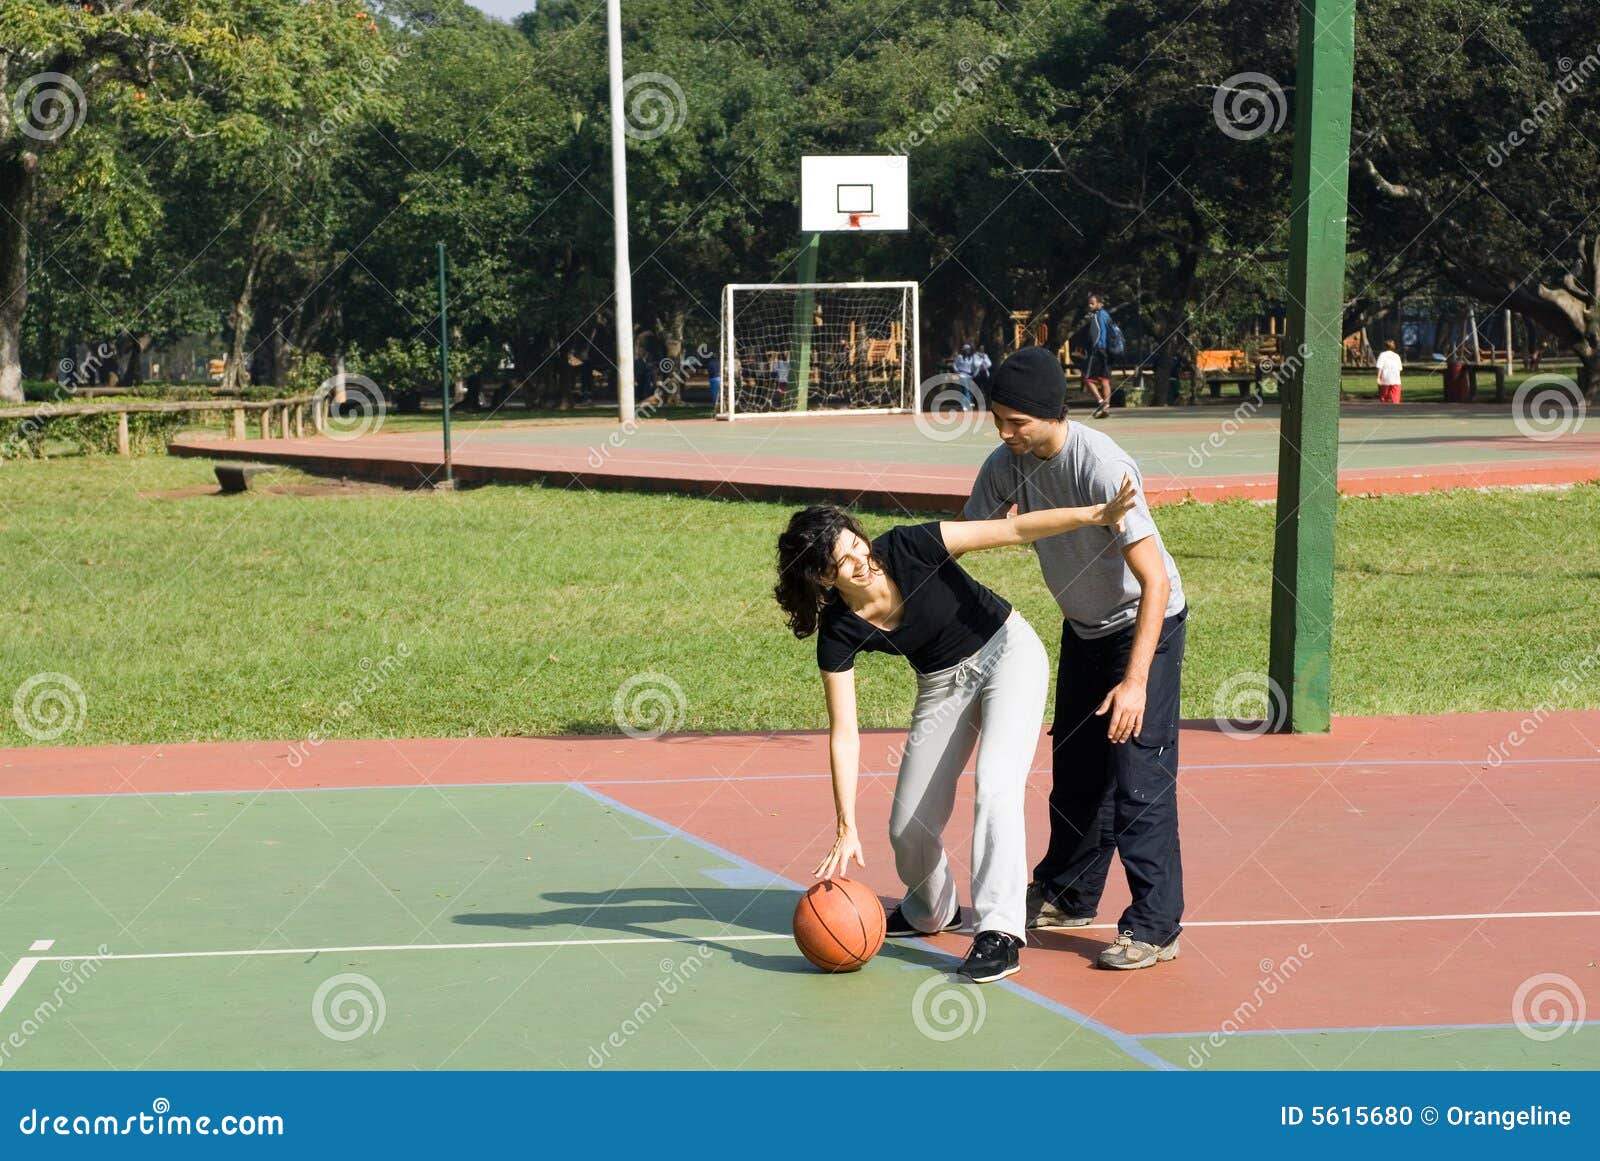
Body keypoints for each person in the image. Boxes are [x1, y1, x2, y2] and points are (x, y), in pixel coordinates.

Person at [775, 479, 1139, 983]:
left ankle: (1001, 931)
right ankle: (932, 910)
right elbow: (844, 734)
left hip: (1007, 652)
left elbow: (1012, 528)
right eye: (843, 560)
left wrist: (1096, 513)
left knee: (995, 786)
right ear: (820, 577)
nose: (862, 559)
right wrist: (846, 823)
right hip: (943, 684)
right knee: (908, 827)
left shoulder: (907, 545)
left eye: (856, 543)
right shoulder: (839, 630)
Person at [964, 346, 1189, 971]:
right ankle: (1068, 895)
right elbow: (968, 536)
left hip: (1145, 627)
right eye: (997, 419)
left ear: (1047, 412)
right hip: (1084, 629)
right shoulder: (1008, 462)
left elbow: (1157, 584)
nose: (1005, 432)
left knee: (1137, 774)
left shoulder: (1102, 466)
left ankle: (1154, 926)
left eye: (1016, 422)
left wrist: (1136, 682)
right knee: (1077, 769)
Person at [1080, 294, 1114, 419]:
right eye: (1089, 303)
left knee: (1087, 378)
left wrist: (1094, 347)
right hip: (1109, 352)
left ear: (1100, 304)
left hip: (1098, 351)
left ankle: (1100, 402)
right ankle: (1106, 408)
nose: (1089, 306)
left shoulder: (1097, 316)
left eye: (1092, 303)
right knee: (1105, 380)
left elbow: (1098, 333)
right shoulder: (1107, 315)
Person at [1376, 338, 1403, 403]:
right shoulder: (1397, 356)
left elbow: (1380, 367)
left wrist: (1378, 378)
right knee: (1395, 400)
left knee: (1384, 399)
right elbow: (1399, 369)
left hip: (1385, 380)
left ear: (1385, 346)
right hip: (1396, 380)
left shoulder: (1382, 355)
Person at [952, 343, 979, 409]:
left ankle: (963, 404)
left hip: (969, 375)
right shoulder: (960, 357)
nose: (968, 351)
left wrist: (974, 373)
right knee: (965, 389)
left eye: (969, 349)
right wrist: (957, 371)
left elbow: (975, 366)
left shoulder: (971, 358)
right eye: (966, 349)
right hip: (962, 375)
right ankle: (968, 403)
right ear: (963, 350)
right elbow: (954, 365)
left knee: (967, 390)